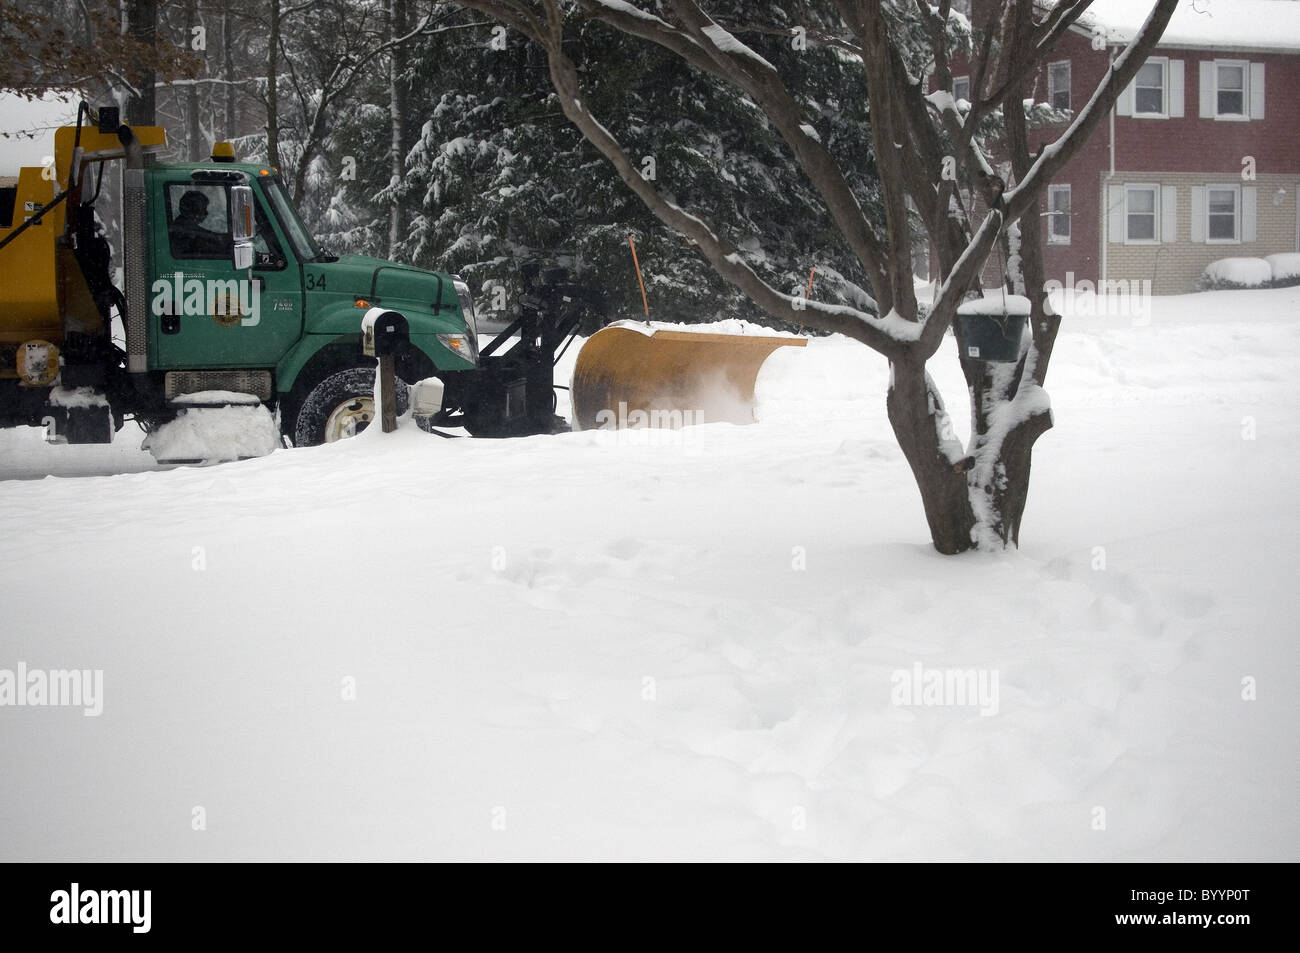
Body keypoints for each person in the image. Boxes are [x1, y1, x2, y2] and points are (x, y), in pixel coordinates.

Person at [170, 190, 227, 256]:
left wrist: (220, 237)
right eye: (204, 209)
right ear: (194, 210)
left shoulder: (183, 225)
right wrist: (219, 239)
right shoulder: (185, 231)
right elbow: (206, 237)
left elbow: (207, 234)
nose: (206, 213)